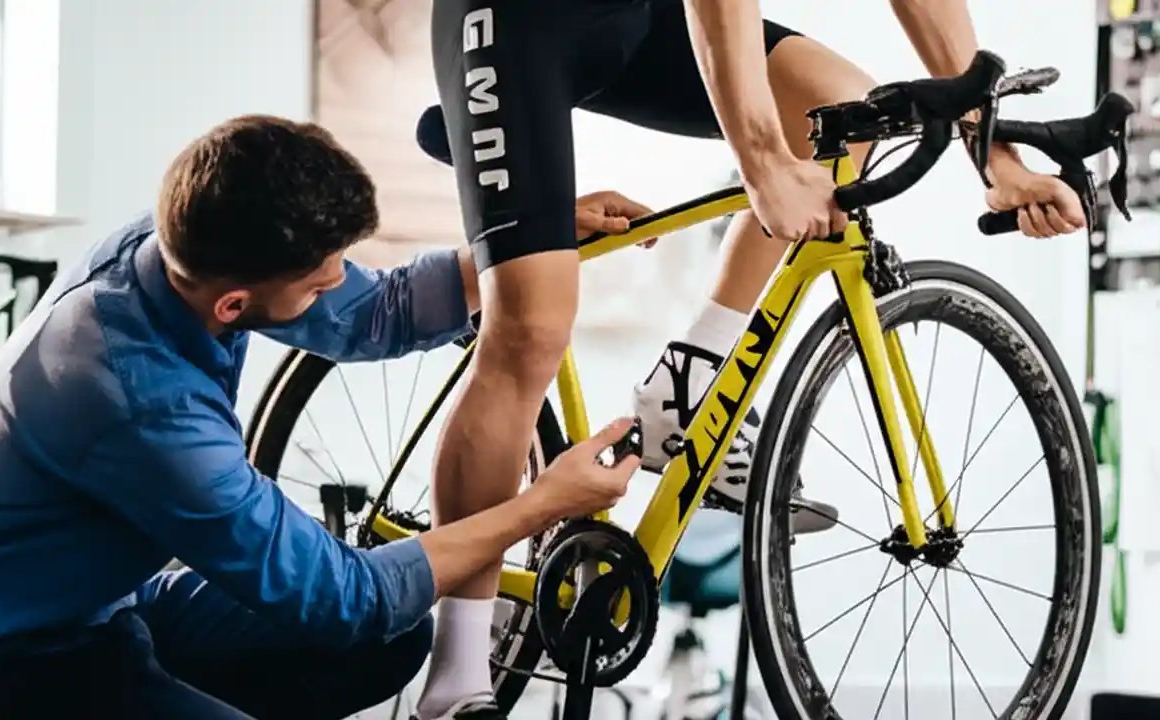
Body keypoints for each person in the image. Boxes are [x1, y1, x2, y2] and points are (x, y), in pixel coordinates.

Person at [416, 0, 1091, 718]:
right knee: (530, 327)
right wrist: (764, 158)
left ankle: (695, 373)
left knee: (847, 110)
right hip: (515, 21)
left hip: (637, 18)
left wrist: (994, 158)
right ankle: (456, 679)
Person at [0, 115, 650, 718]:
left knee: (395, 634)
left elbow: (377, 310)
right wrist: (544, 503)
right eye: (318, 282)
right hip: (17, 655)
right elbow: (344, 598)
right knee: (360, 614)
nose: (337, 284)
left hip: (110, 605)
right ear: (235, 306)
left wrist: (527, 241)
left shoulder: (179, 247)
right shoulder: (141, 401)